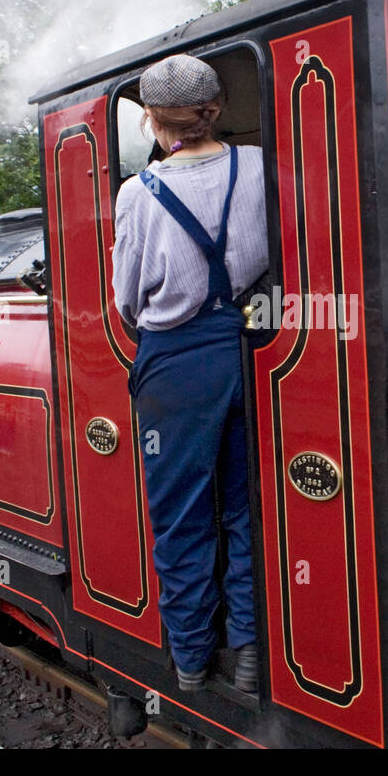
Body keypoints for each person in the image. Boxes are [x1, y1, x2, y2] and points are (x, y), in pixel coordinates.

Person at [111, 54, 268, 693]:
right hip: (249, 348)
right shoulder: (260, 168)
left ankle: (192, 659)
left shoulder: (137, 192)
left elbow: (126, 297)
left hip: (174, 361)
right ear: (215, 110)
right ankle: (252, 652)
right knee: (243, 510)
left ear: (151, 121)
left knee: (180, 516)